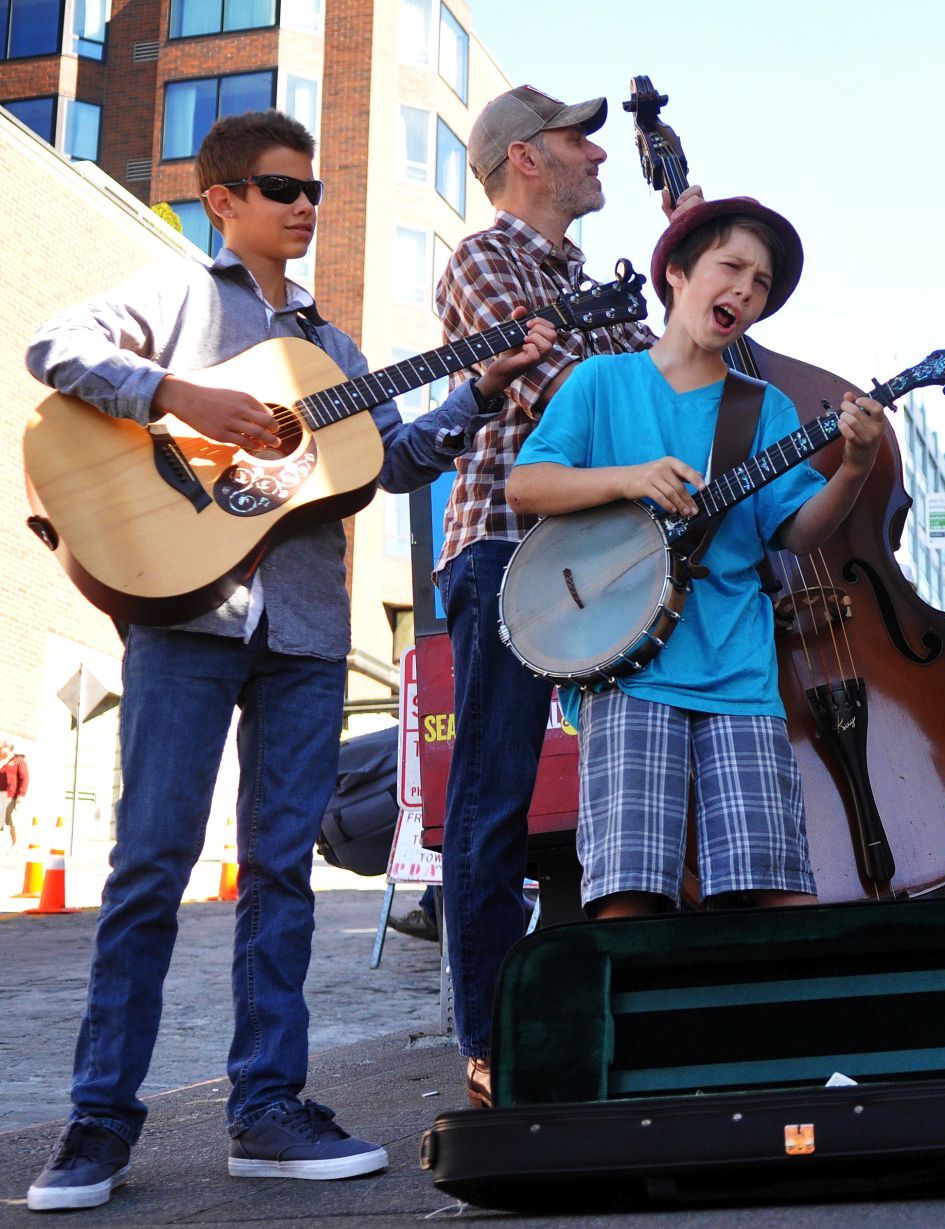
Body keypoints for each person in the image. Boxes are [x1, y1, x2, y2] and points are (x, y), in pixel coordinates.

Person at [22, 109, 553, 1212]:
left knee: (281, 874)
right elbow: (53, 346)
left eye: (312, 188)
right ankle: (99, 1119)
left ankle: (268, 1107)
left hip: (305, 633)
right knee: (149, 865)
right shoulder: (177, 295)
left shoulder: (330, 350)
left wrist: (479, 391)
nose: (305, 204)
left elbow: (390, 459)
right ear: (222, 200)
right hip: (188, 617)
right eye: (281, 187)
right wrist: (180, 395)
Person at [432, 84, 702, 1110]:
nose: (600, 154)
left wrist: (693, 267)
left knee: (630, 785)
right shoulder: (483, 262)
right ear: (524, 157)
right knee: (493, 794)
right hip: (508, 549)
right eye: (577, 139)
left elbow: (667, 393)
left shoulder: (593, 283)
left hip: (601, 551)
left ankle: (620, 1013)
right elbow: (573, 404)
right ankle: (491, 1037)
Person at [508, 197, 887, 922]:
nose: (745, 290)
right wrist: (630, 477)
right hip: (627, 667)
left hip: (739, 668)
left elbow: (797, 532)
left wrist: (855, 465)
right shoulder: (600, 382)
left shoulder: (764, 407)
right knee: (628, 892)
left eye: (761, 283)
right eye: (731, 267)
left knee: (775, 886)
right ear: (677, 273)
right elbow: (528, 484)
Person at [0, 738, 28, 846]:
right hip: (2, 795)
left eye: (2, 748)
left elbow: (25, 778)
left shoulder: (18, 760)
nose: (0, 750)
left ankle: (15, 843)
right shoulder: (4, 761)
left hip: (11, 796)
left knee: (11, 820)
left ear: (9, 748)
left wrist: (21, 794)